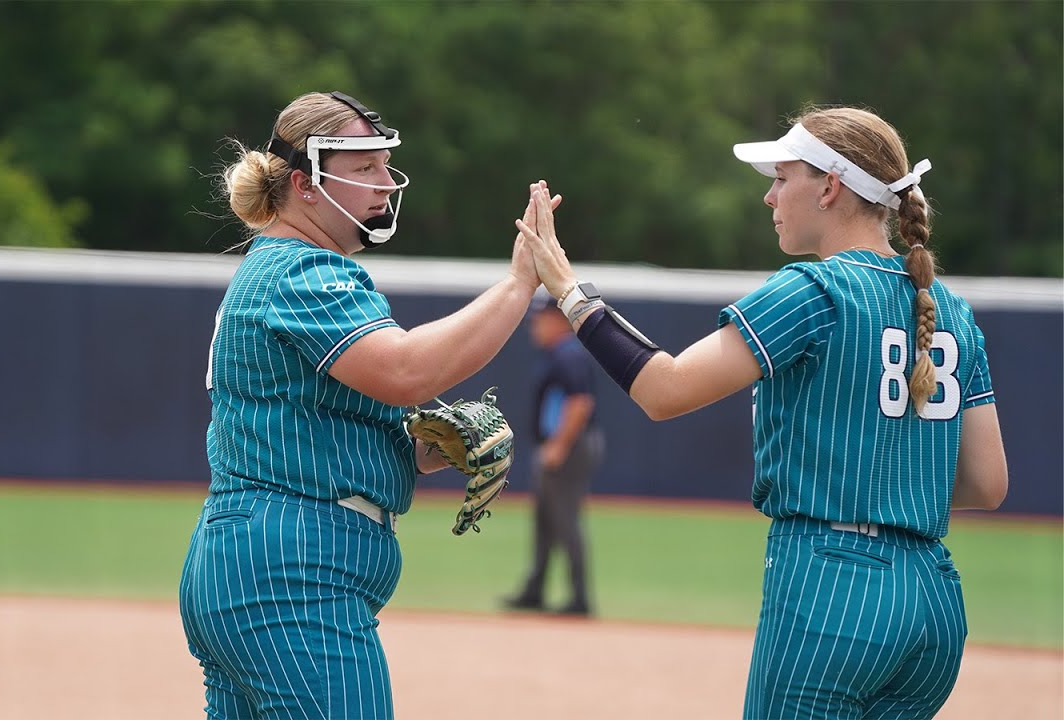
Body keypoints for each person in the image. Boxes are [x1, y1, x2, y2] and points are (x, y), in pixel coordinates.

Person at [515, 107, 1008, 719]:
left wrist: (567, 290)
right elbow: (987, 484)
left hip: (832, 590)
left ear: (829, 187)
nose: (770, 196)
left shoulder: (812, 289)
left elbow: (664, 390)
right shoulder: (951, 310)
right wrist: (889, 485)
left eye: (781, 177)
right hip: (934, 602)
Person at [177, 91, 550, 719]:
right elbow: (406, 371)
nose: (384, 182)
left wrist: (427, 447)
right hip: (294, 575)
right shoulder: (301, 270)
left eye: (384, 165)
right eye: (364, 167)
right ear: (305, 184)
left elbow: (341, 417)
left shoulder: (282, 268)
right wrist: (520, 283)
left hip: (259, 560)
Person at [504, 292, 604, 616]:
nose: (535, 325)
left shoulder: (568, 355)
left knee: (564, 520)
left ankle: (580, 598)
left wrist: (558, 446)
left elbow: (580, 403)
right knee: (546, 520)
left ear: (559, 320)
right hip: (562, 445)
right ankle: (535, 590)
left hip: (569, 446)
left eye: (541, 319)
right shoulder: (558, 354)